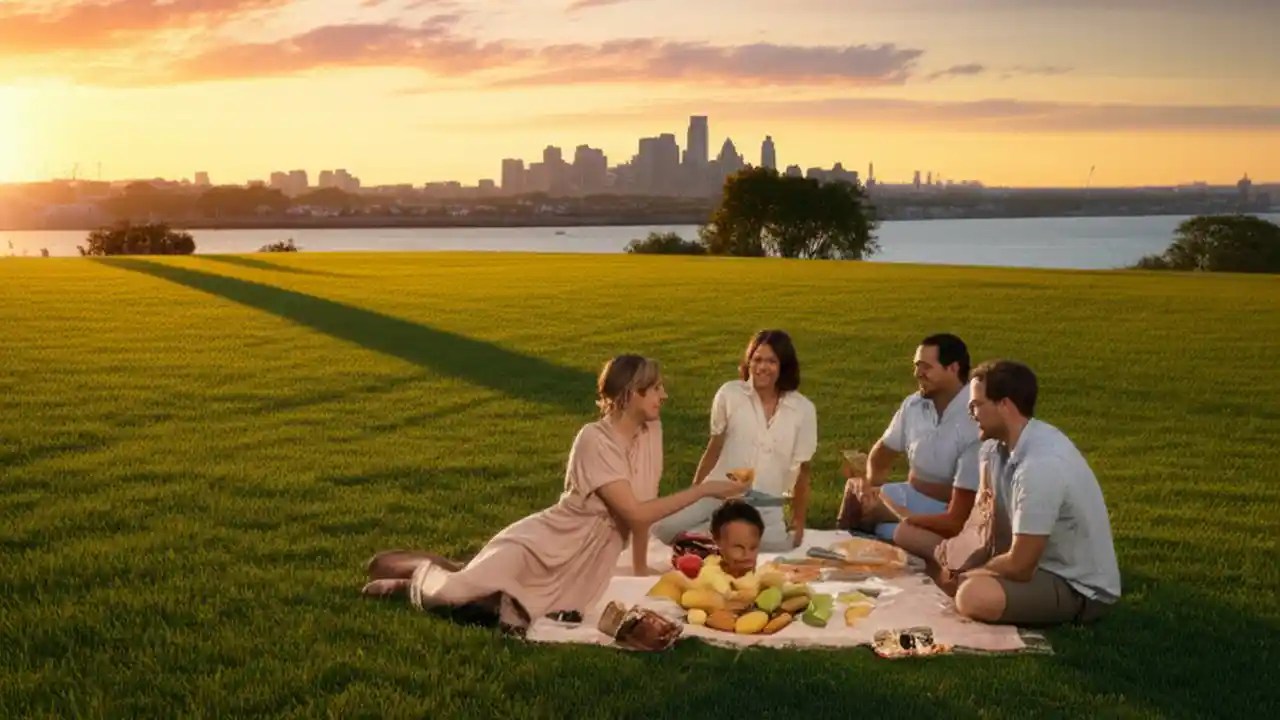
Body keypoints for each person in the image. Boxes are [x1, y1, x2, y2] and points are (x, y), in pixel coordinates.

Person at [360, 355, 746, 631]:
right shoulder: (593, 440)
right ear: (631, 394)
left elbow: (643, 506)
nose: (664, 396)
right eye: (656, 388)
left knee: (499, 607)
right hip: (550, 541)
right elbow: (637, 514)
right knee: (457, 597)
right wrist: (707, 489)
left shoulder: (651, 433)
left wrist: (641, 566)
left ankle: (463, 569)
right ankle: (415, 575)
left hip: (587, 559)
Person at [949, 360, 1121, 625]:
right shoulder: (995, 450)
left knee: (973, 596)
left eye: (976, 405)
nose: (971, 414)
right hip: (1035, 565)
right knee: (953, 574)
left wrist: (978, 573)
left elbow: (1020, 565)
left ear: (1004, 405)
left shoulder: (1041, 465)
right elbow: (984, 527)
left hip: (1074, 584)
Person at [652, 330, 818, 551]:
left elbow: (803, 470)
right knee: (661, 530)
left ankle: (709, 534)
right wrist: (694, 493)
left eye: (771, 361)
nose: (761, 368)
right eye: (757, 359)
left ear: (784, 366)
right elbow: (714, 446)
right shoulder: (730, 394)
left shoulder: (802, 410)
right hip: (717, 494)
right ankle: (707, 530)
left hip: (765, 506)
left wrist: (798, 519)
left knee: (770, 551)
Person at [839, 334, 981, 548]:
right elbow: (883, 451)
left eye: (925, 367)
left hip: (952, 509)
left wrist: (891, 510)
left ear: (953, 368)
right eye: (916, 366)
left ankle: (890, 560)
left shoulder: (978, 412)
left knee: (899, 534)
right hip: (910, 493)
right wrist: (871, 487)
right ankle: (840, 558)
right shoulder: (914, 404)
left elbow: (966, 507)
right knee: (855, 495)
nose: (917, 374)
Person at [709, 500, 765, 579]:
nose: (747, 556)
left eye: (753, 548)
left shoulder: (768, 582)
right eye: (738, 547)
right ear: (717, 543)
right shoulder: (701, 584)